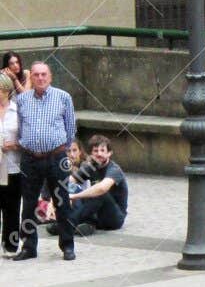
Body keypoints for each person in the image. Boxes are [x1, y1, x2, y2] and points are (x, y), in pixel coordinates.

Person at [11, 61, 76, 262]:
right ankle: (29, 246)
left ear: (50, 77)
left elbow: (70, 128)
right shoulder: (22, 100)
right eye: (36, 75)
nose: (40, 78)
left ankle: (67, 245)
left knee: (62, 201)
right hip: (30, 158)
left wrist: (60, 151)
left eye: (44, 74)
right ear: (31, 77)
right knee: (29, 203)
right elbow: (20, 128)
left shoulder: (63, 97)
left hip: (56, 156)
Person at [59, 134, 129, 235]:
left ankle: (69, 223)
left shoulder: (114, 169)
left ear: (109, 153)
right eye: (95, 151)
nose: (99, 154)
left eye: (102, 151)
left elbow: (101, 188)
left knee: (98, 193)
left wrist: (74, 196)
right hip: (96, 213)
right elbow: (68, 182)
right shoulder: (90, 167)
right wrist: (55, 199)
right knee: (73, 189)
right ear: (91, 154)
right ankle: (88, 225)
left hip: (114, 218)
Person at [0, 79, 19, 256]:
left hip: (13, 165)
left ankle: (10, 245)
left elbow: (27, 136)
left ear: (7, 90)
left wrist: (15, 144)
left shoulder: (17, 111)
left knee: (12, 207)